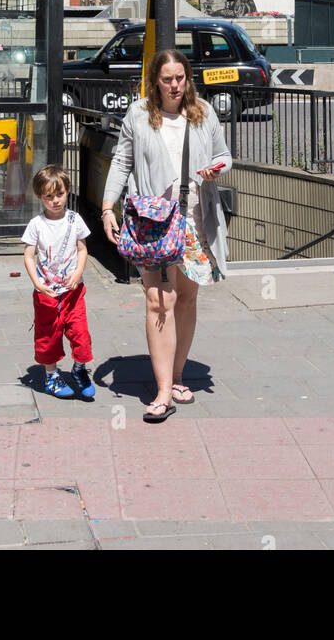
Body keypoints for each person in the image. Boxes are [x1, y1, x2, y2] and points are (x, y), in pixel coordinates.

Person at [102, 49, 232, 423]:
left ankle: (175, 377)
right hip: (153, 223)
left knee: (186, 300)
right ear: (154, 81)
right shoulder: (139, 116)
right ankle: (162, 394)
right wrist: (107, 206)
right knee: (159, 301)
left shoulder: (203, 112)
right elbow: (122, 161)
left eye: (180, 78)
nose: (175, 85)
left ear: (187, 78)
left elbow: (225, 155)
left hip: (194, 221)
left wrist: (216, 168)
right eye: (167, 79)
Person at [22, 165, 95, 400]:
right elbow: (28, 255)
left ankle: (79, 369)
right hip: (47, 294)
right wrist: (37, 283)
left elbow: (82, 249)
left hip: (73, 292)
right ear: (39, 197)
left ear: (67, 191)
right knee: (48, 336)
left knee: (81, 335)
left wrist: (78, 272)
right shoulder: (36, 224)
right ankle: (51, 376)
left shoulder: (75, 220)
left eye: (60, 194)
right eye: (49, 196)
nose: (55, 200)